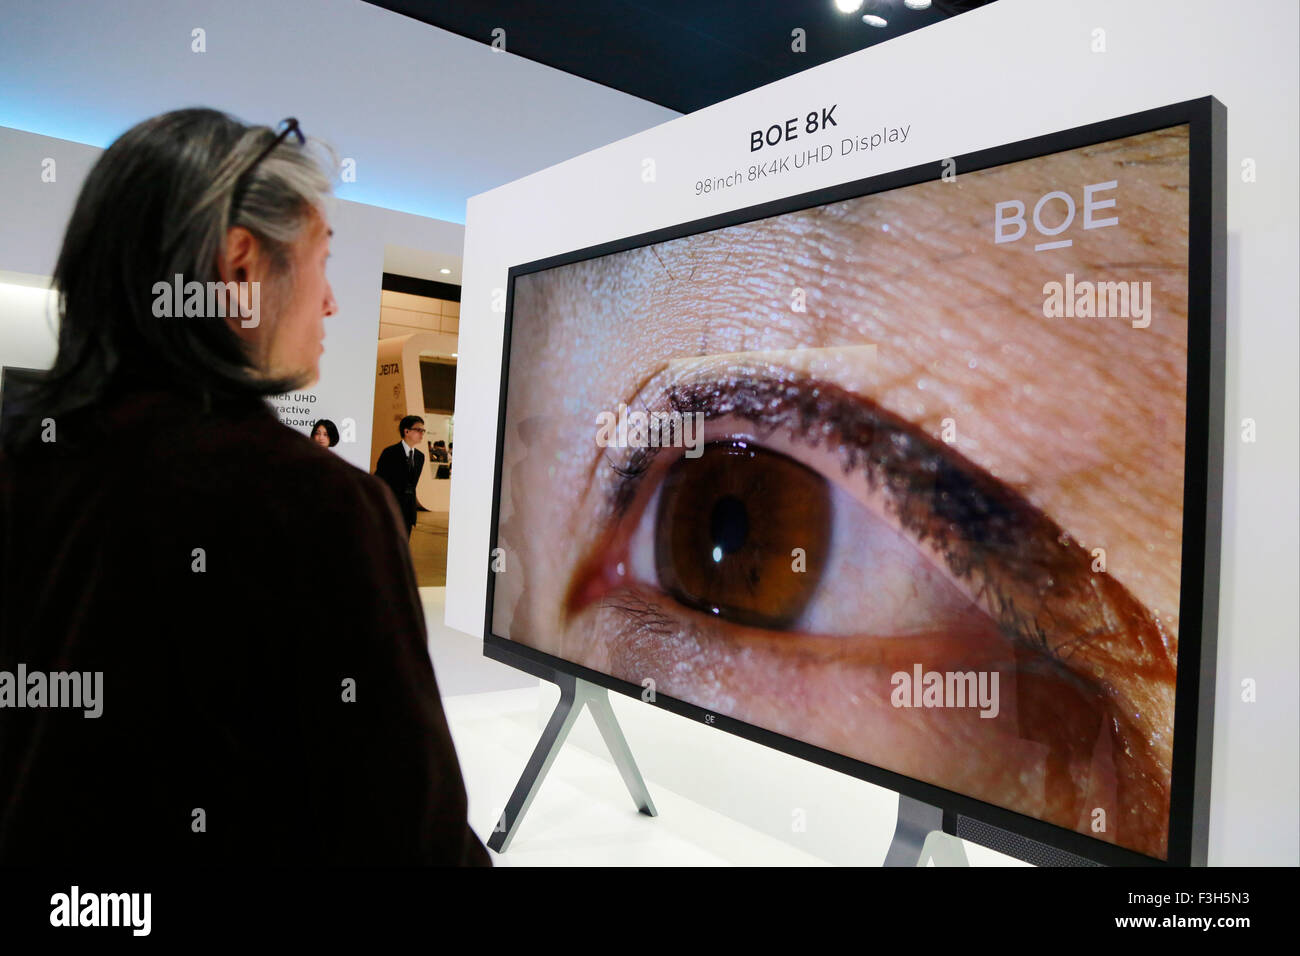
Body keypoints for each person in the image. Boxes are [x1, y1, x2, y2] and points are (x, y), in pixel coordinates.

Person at [0, 108, 488, 865]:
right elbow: (407, 837)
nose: (331, 301)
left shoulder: (24, 455)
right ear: (240, 268)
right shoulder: (314, 507)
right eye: (323, 260)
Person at [374, 416, 425, 536]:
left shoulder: (420, 457)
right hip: (391, 509)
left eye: (423, 431)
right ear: (406, 431)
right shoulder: (390, 453)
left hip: (409, 511)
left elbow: (413, 484)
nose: (421, 433)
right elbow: (380, 480)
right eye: (418, 430)